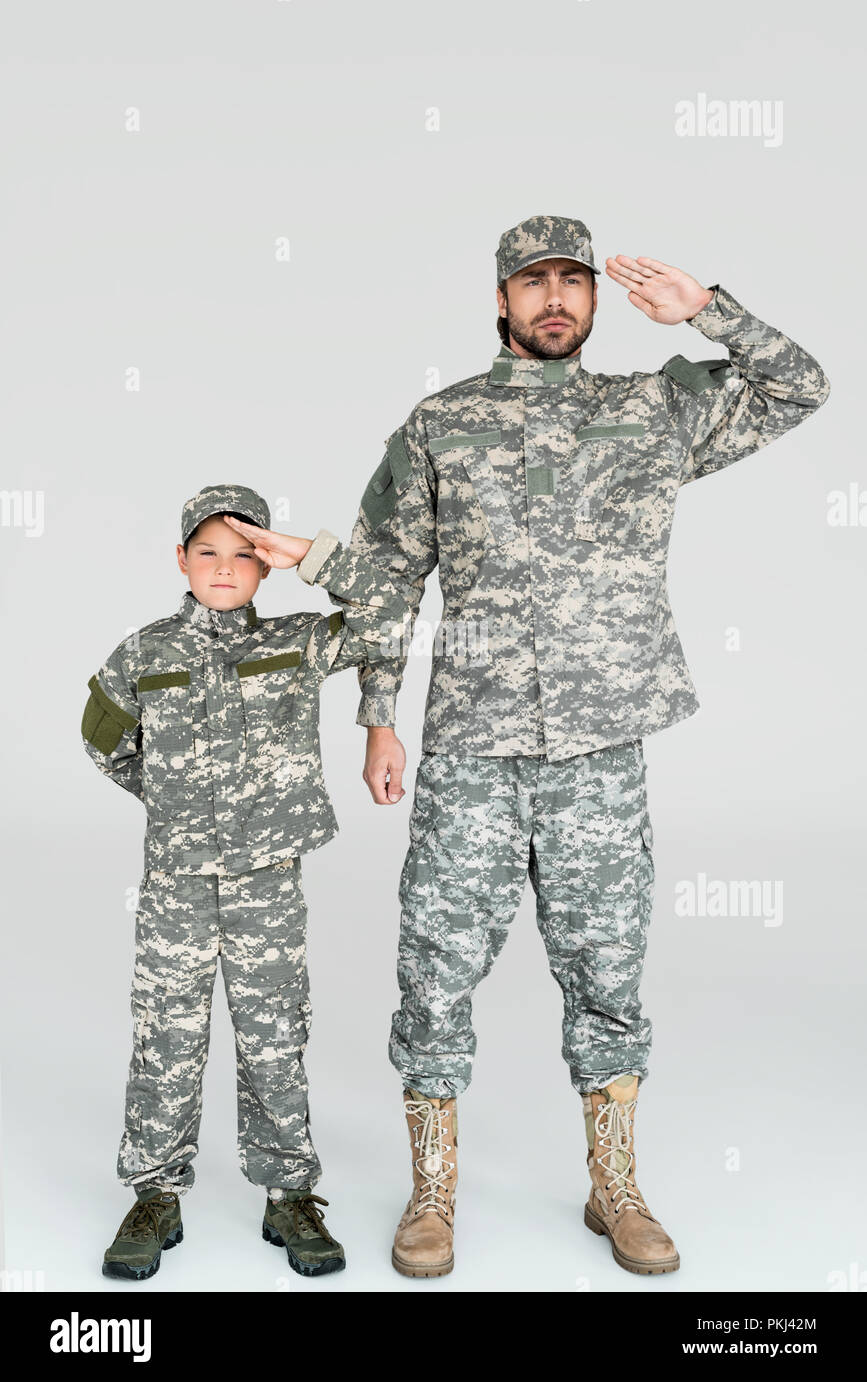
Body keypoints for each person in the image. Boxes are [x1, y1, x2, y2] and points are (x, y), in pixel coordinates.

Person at [346, 215, 831, 1278]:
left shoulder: (652, 407)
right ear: (502, 300)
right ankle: (433, 1194)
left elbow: (802, 386)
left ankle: (615, 1187)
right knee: (434, 969)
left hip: (600, 747)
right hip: (470, 743)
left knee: (608, 968)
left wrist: (707, 310)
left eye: (574, 281)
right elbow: (383, 571)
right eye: (535, 283)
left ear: (598, 300)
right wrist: (379, 711)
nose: (556, 298)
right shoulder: (443, 421)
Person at [82, 483, 412, 1280]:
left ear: (263, 566)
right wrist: (176, 802)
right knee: (166, 1035)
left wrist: (307, 555)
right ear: (180, 560)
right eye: (207, 553)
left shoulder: (300, 640)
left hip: (267, 878)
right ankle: (155, 1192)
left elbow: (389, 611)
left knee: (273, 1035)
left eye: (244, 553)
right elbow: (103, 741)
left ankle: (289, 1193)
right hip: (178, 881)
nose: (224, 569)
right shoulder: (144, 651)